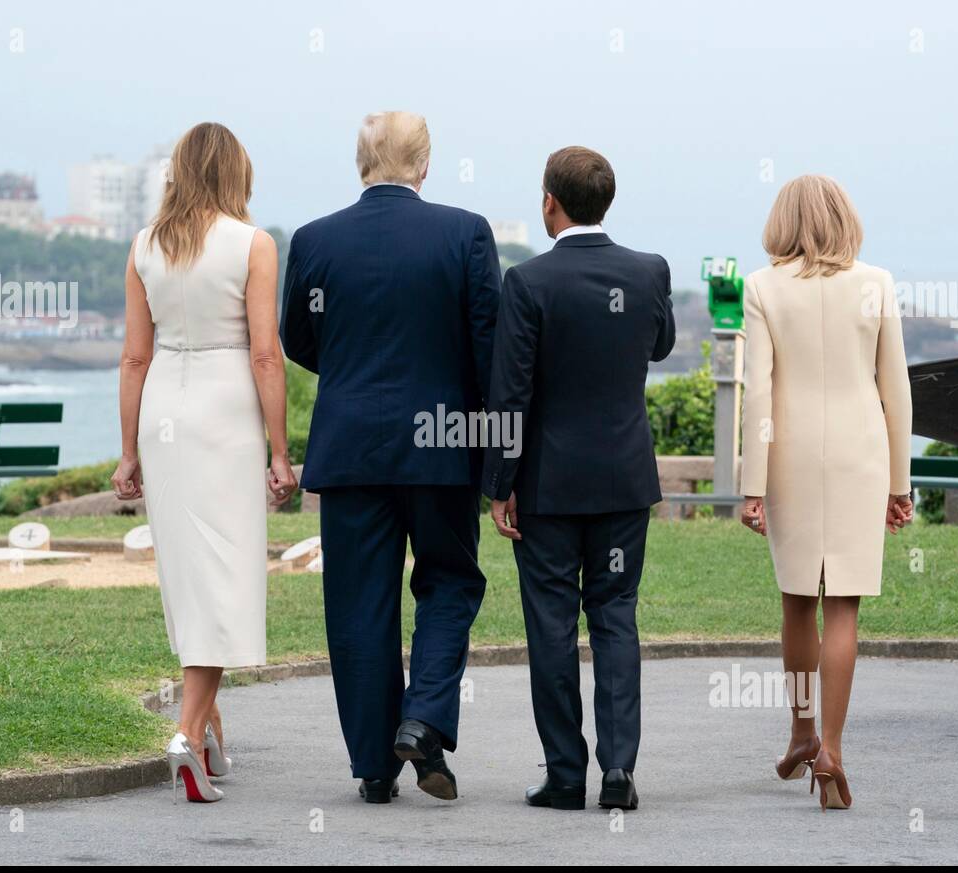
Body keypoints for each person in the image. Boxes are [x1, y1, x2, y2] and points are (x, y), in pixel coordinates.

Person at [280, 111, 500, 804]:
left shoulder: (314, 240)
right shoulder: (465, 233)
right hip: (443, 443)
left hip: (349, 447)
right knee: (450, 582)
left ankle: (375, 765)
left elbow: (297, 339)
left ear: (360, 162)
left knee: (357, 604)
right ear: (425, 166)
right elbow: (487, 343)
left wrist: (349, 375)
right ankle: (425, 718)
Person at [483, 146, 675, 811]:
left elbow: (509, 395)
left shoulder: (528, 283)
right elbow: (660, 346)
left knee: (552, 626)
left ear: (548, 203)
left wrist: (499, 481)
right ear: (606, 201)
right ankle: (619, 772)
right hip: (624, 480)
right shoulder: (649, 272)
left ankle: (566, 774)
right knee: (616, 616)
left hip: (548, 488)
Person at [112, 122, 297, 804]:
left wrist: (128, 449)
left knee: (190, 573)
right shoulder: (253, 244)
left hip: (165, 406)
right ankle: (188, 733)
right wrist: (282, 453)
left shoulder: (144, 246)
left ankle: (210, 733)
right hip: (227, 411)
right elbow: (265, 354)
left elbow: (133, 356)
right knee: (223, 576)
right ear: (236, 173)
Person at [739, 174, 913, 811]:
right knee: (843, 606)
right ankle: (832, 752)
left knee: (795, 604)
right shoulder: (877, 284)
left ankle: (802, 733)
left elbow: (759, 391)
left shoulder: (762, 287)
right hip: (860, 457)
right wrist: (901, 483)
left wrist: (752, 486)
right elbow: (896, 393)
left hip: (787, 455)